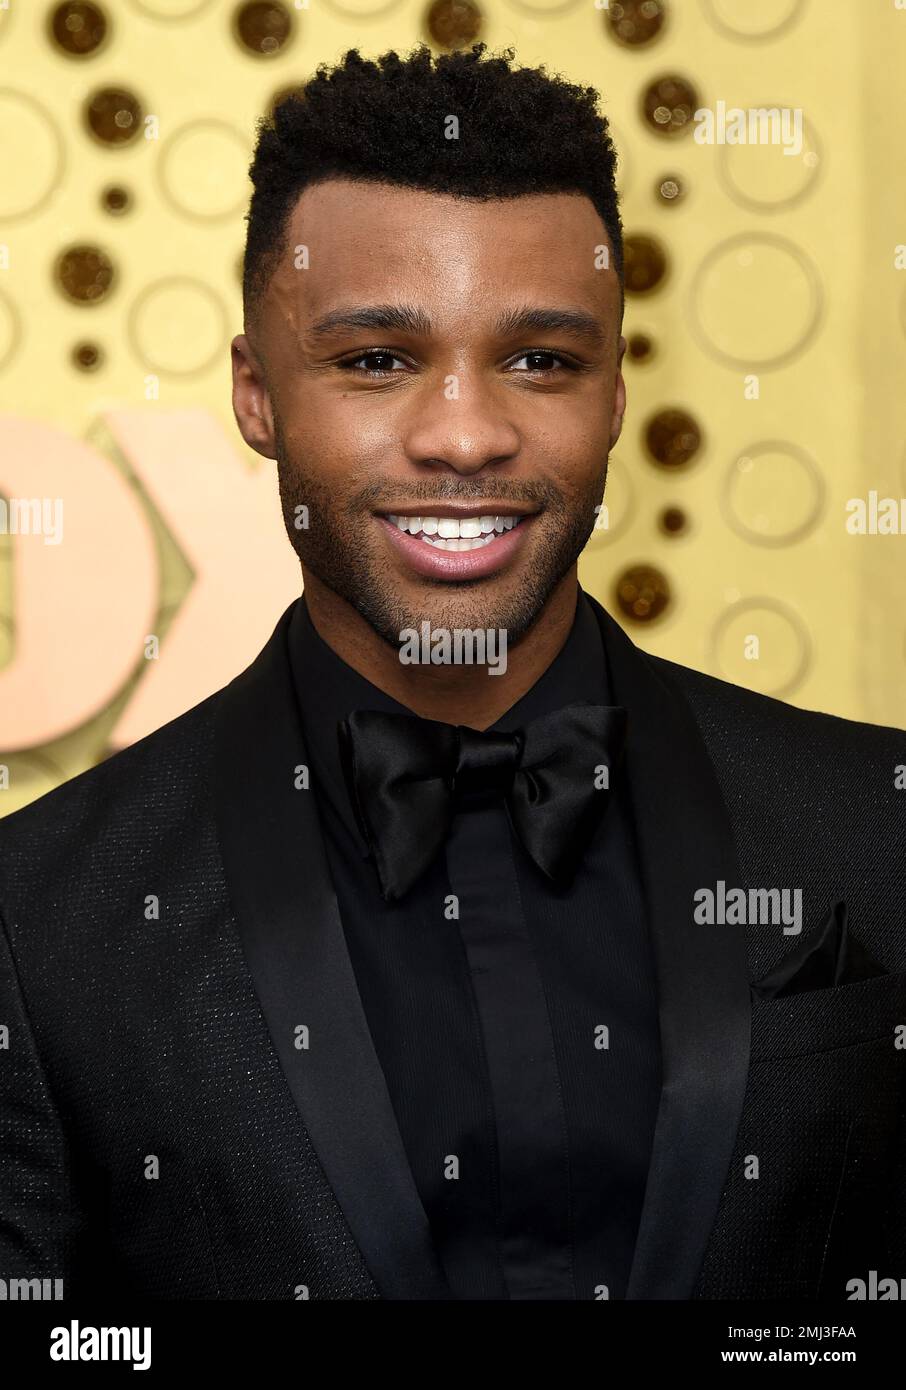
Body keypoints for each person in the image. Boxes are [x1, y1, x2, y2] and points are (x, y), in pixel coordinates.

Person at [0, 43, 903, 1302]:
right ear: (257, 396)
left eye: (541, 360)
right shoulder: (40, 919)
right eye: (377, 359)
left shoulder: (875, 824)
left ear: (616, 394)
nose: (467, 436)